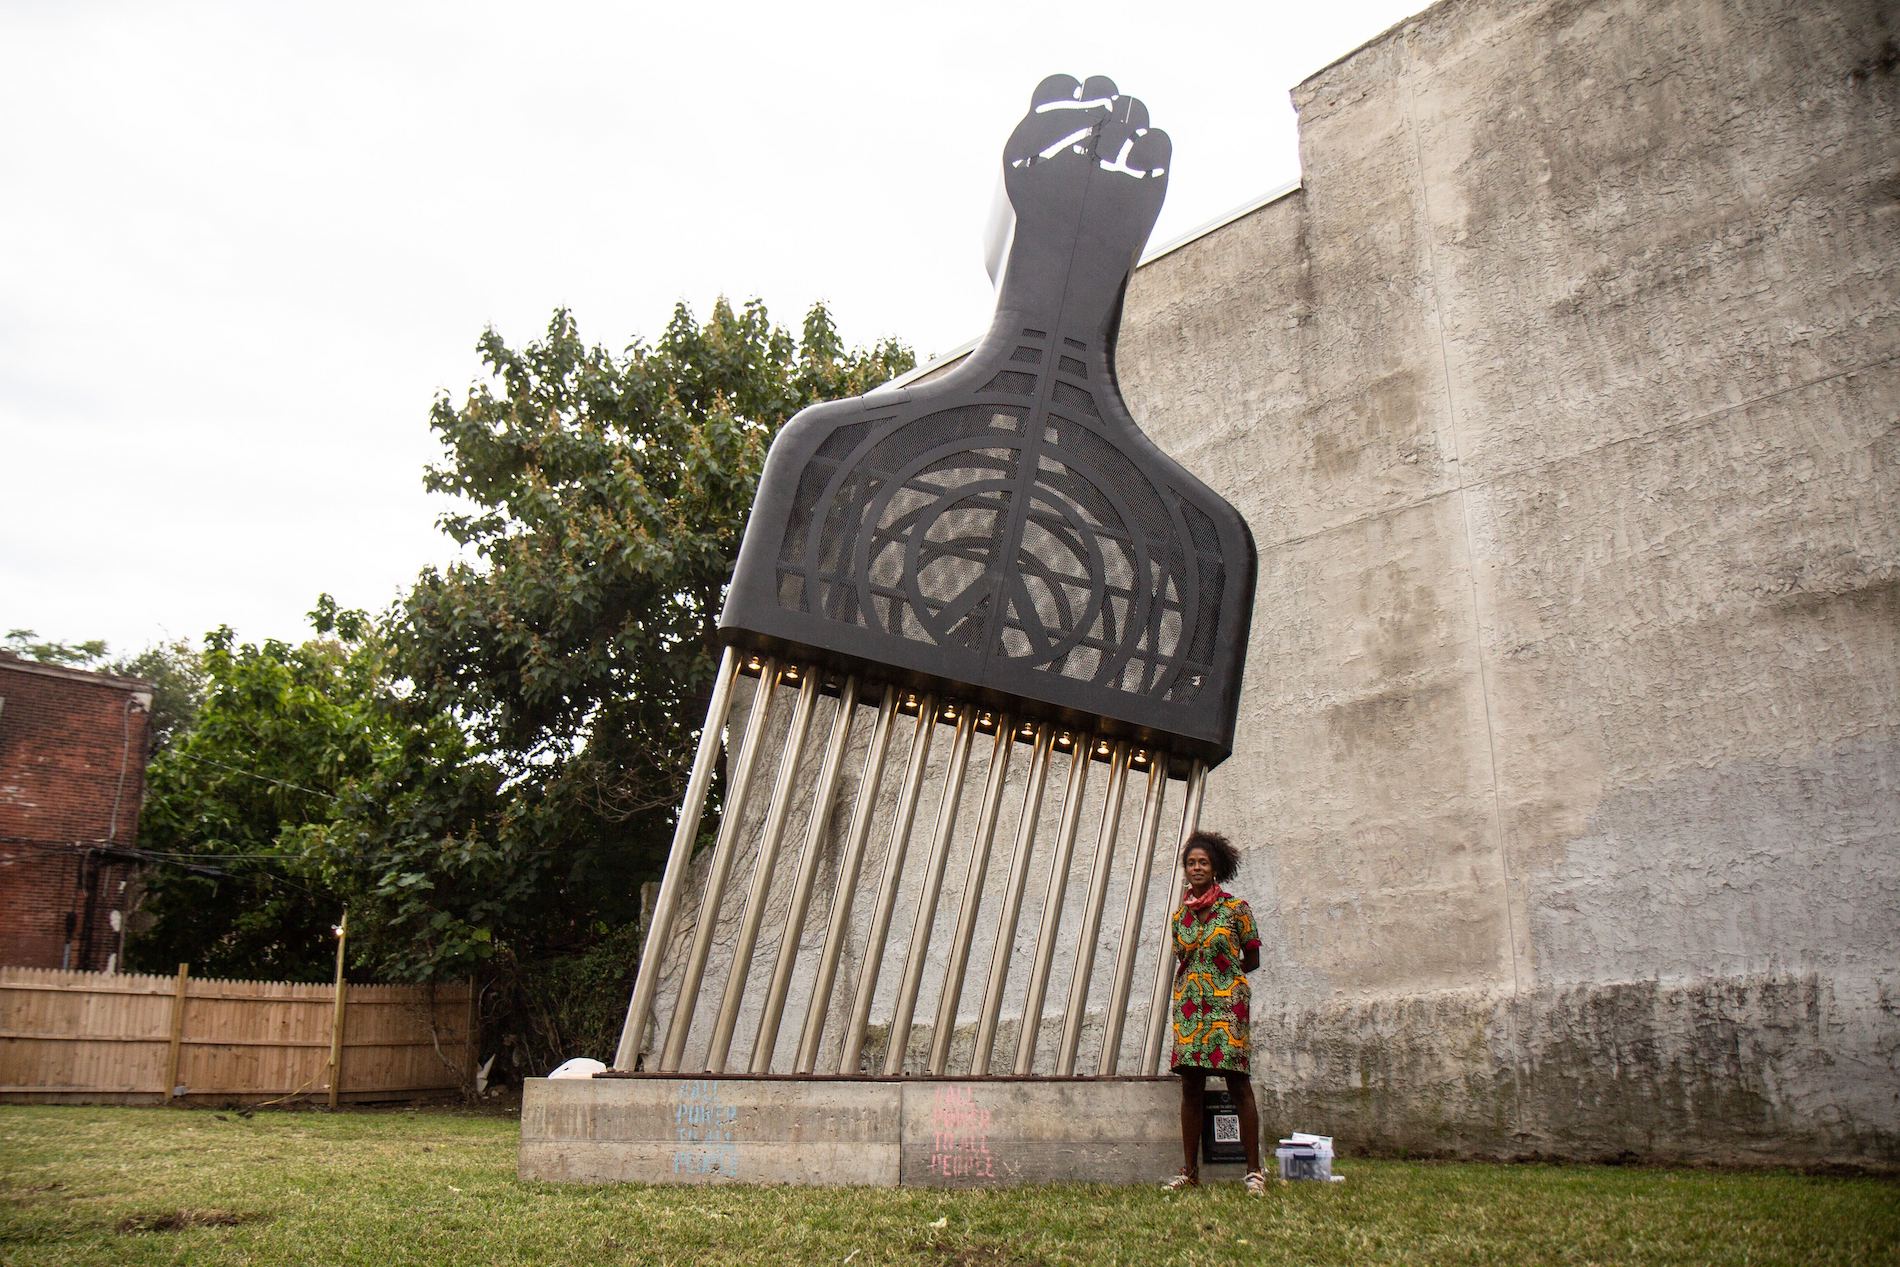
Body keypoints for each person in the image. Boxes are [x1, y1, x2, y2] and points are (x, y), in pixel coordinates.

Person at [1163, 830, 1267, 1193]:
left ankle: (1254, 1171)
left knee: (1238, 1082)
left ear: (1216, 868)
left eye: (1203, 863)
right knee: (1191, 1084)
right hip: (1191, 1007)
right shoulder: (1180, 917)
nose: (1196, 868)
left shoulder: (1236, 910)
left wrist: (1224, 980)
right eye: (1191, 863)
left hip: (1227, 1006)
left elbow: (1251, 958)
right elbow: (1184, 958)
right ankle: (1189, 1173)